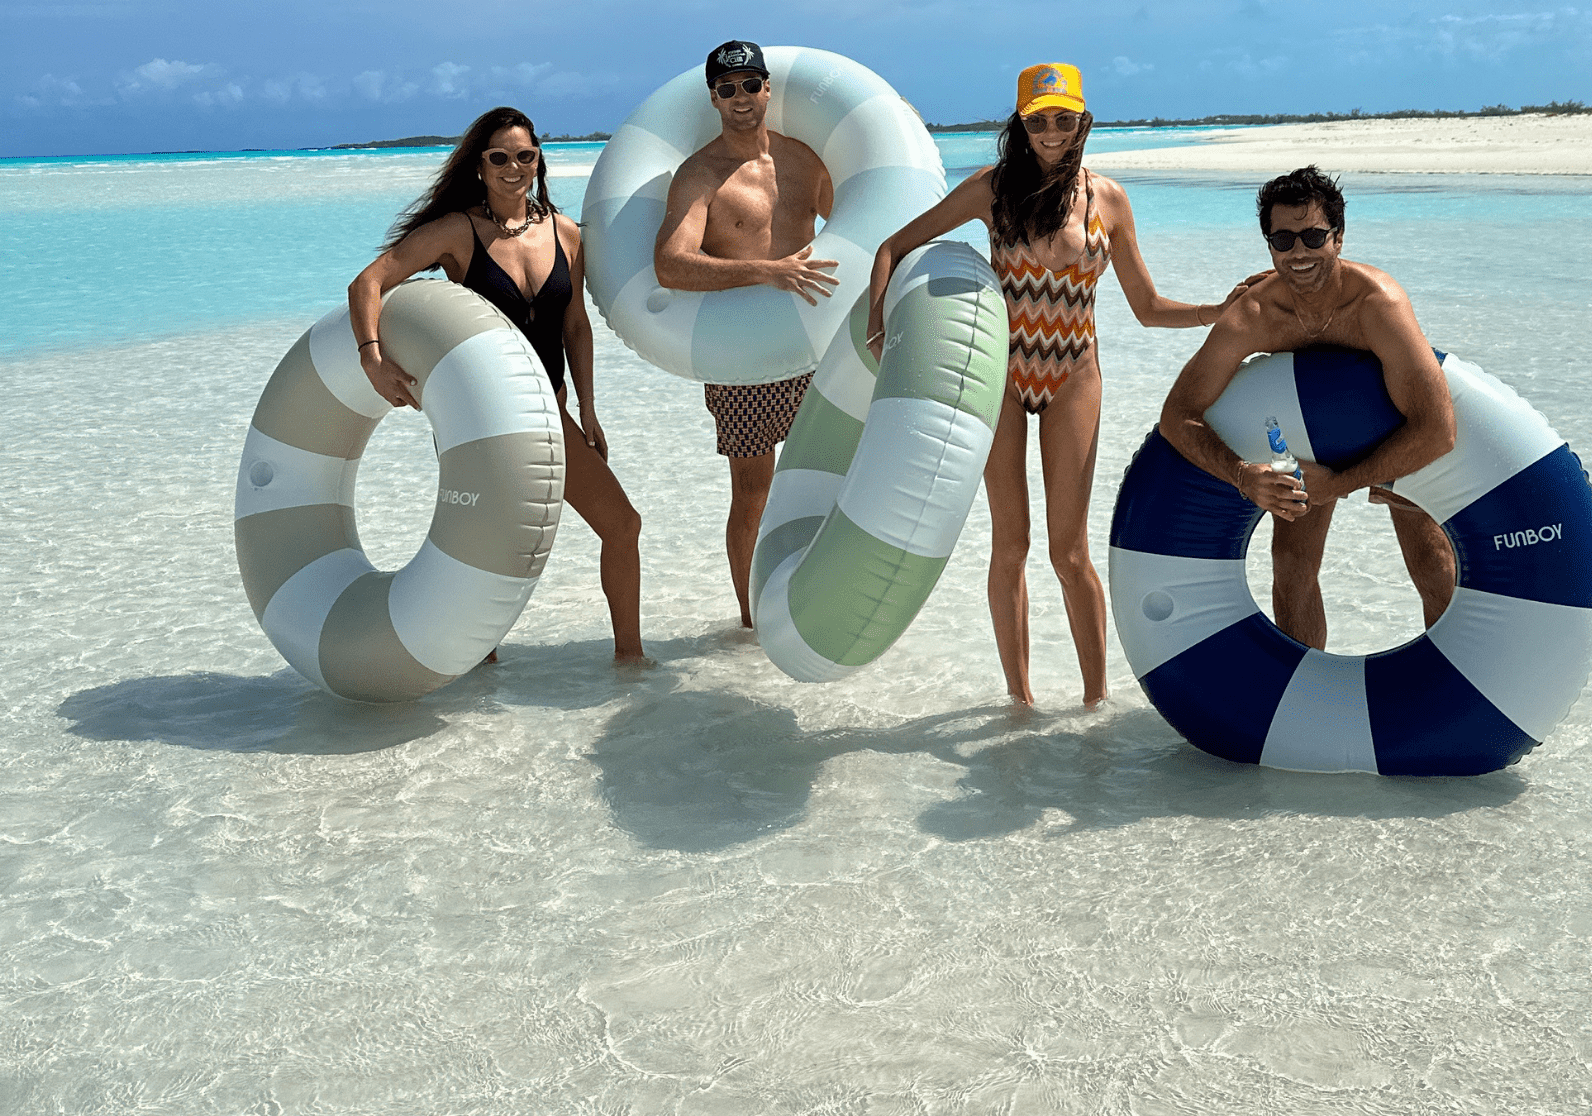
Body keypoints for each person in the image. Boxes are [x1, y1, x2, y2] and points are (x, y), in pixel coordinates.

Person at [867, 61, 1242, 710]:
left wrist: (1219, 312)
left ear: (1082, 121)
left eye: (1063, 119)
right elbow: (892, 248)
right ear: (1021, 123)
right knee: (1010, 546)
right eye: (1038, 120)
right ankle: (1020, 703)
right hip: (1000, 379)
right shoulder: (989, 191)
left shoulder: (1110, 201)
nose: (1051, 132)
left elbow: (1148, 308)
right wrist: (880, 330)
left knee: (1070, 554)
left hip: (1073, 377)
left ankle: (1096, 706)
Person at [347, 106, 646, 661]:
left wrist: (589, 409)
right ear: (480, 166)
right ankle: (475, 672)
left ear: (539, 160)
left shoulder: (565, 232)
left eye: (525, 155)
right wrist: (373, 358)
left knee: (622, 526)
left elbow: (575, 326)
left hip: (548, 413)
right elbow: (369, 282)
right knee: (490, 551)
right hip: (480, 419)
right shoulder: (457, 233)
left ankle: (630, 661)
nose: (514, 167)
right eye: (499, 157)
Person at [1160, 163, 1458, 643]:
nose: (1299, 253)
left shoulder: (1377, 305)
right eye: (1284, 241)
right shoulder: (1255, 315)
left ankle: (1458, 688)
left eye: (1314, 237)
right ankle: (1309, 697)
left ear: (1338, 238)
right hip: (1308, 434)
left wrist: (1343, 482)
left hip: (1392, 426)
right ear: (1269, 246)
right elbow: (1178, 414)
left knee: (1429, 562)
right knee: (1291, 568)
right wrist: (1242, 474)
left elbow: (1437, 429)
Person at [652, 40, 836, 627]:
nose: (740, 99)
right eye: (727, 89)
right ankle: (752, 620)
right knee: (753, 488)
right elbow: (671, 264)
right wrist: (768, 270)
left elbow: (865, 228)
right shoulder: (700, 174)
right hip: (741, 353)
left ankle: (816, 600)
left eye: (750, 85)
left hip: (812, 342)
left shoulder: (803, 162)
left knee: (827, 476)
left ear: (767, 89)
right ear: (713, 97)